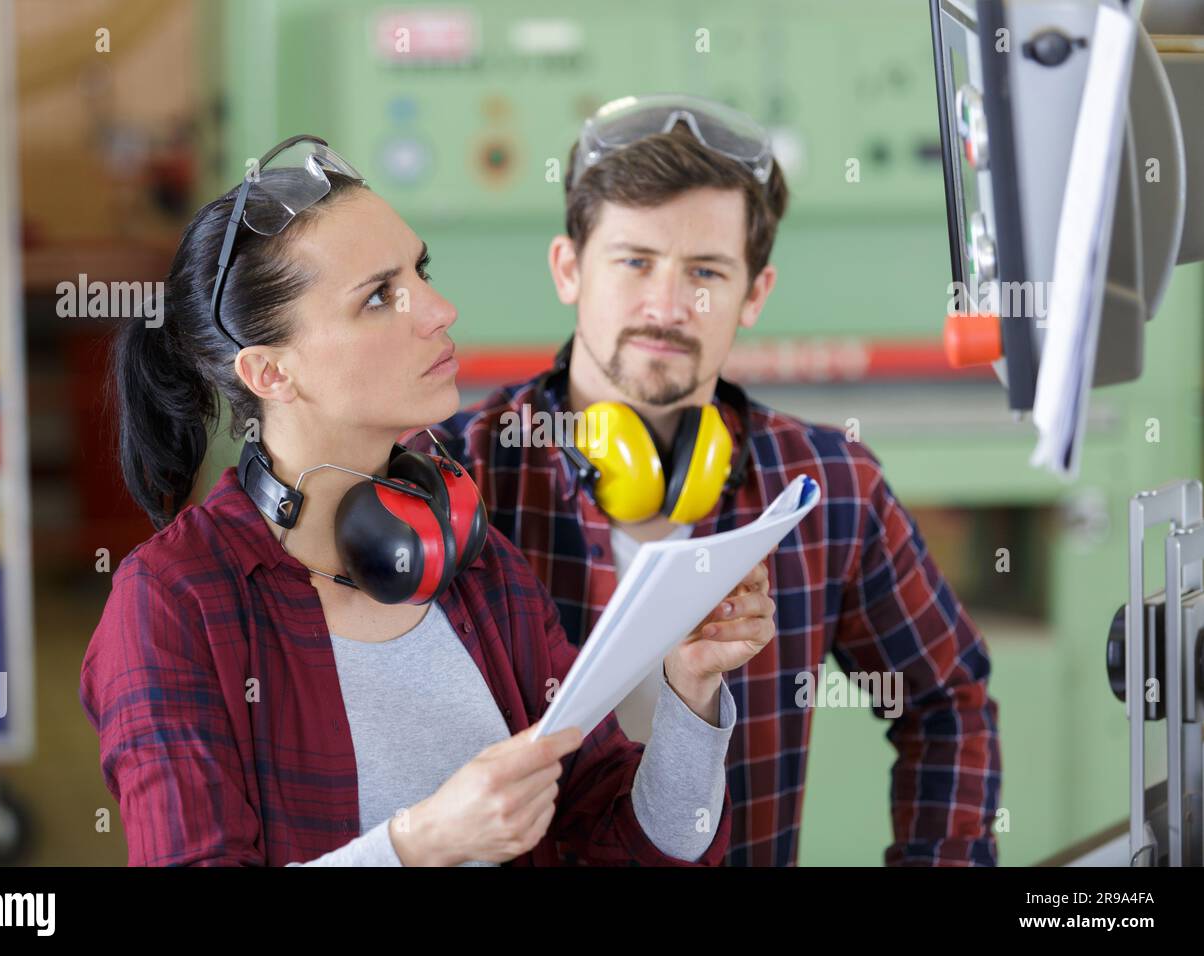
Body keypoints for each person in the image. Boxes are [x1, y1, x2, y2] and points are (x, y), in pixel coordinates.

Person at [79, 135, 776, 867]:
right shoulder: (171, 603)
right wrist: (419, 845)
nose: (439, 310)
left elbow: (624, 844)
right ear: (271, 372)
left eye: (421, 271)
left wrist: (691, 694)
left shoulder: (471, 557)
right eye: (380, 296)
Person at [417, 96, 1004, 866]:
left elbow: (947, 700)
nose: (667, 306)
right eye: (634, 261)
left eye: (705, 271)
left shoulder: (831, 486)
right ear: (569, 269)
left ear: (754, 294)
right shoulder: (454, 478)